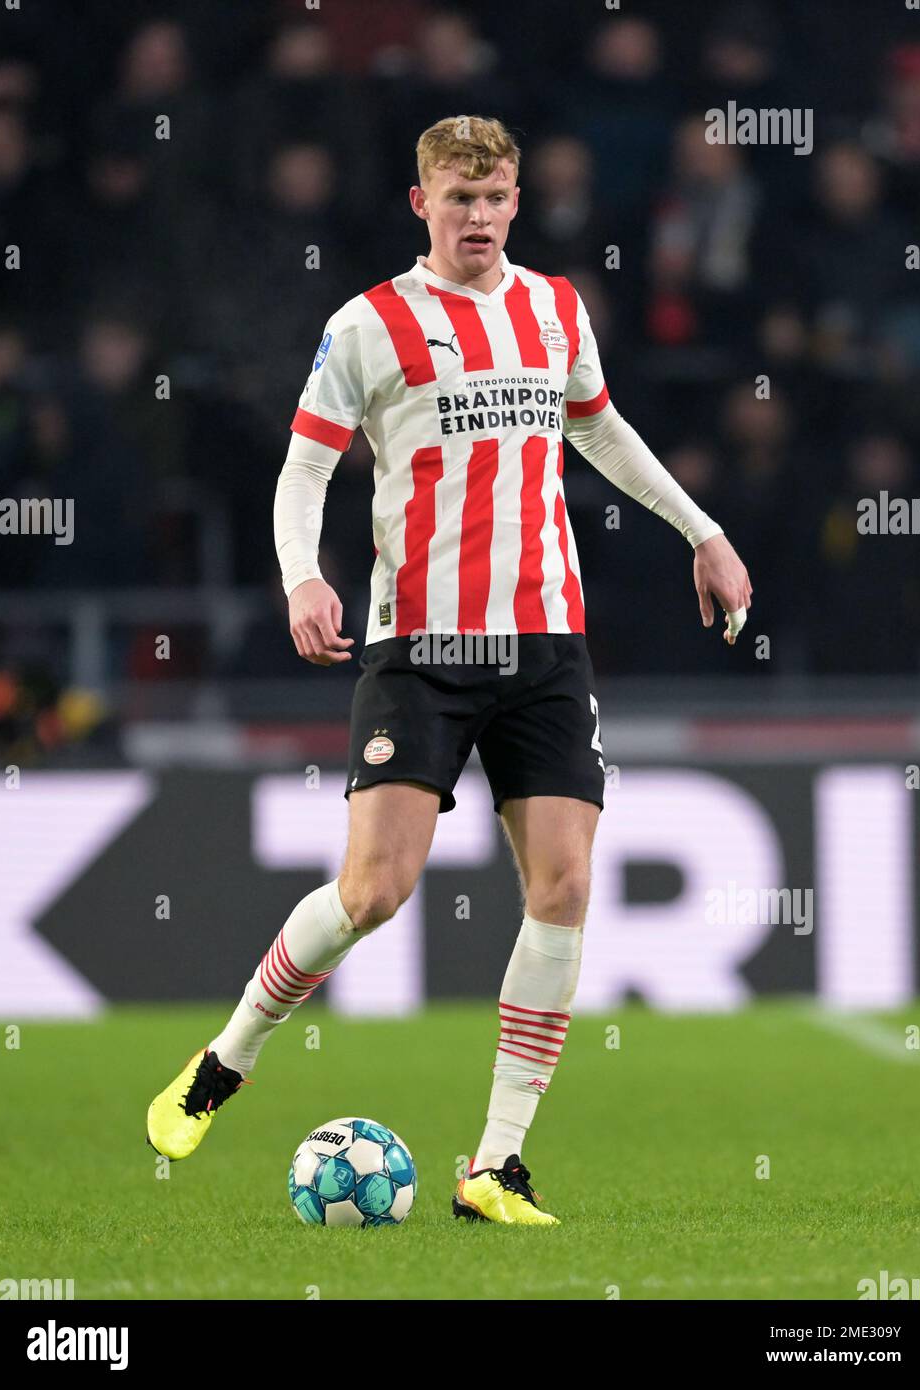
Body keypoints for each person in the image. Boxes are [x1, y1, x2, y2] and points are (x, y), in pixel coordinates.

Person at [147, 115, 752, 1225]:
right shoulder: (369, 325)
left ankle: (494, 1164)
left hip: (543, 643)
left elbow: (600, 430)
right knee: (374, 891)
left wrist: (700, 532)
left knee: (563, 885)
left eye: (495, 198)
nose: (477, 217)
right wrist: (299, 579)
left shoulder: (555, 308)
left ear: (515, 201)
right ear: (420, 204)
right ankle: (227, 1056)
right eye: (456, 199)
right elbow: (303, 471)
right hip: (417, 647)